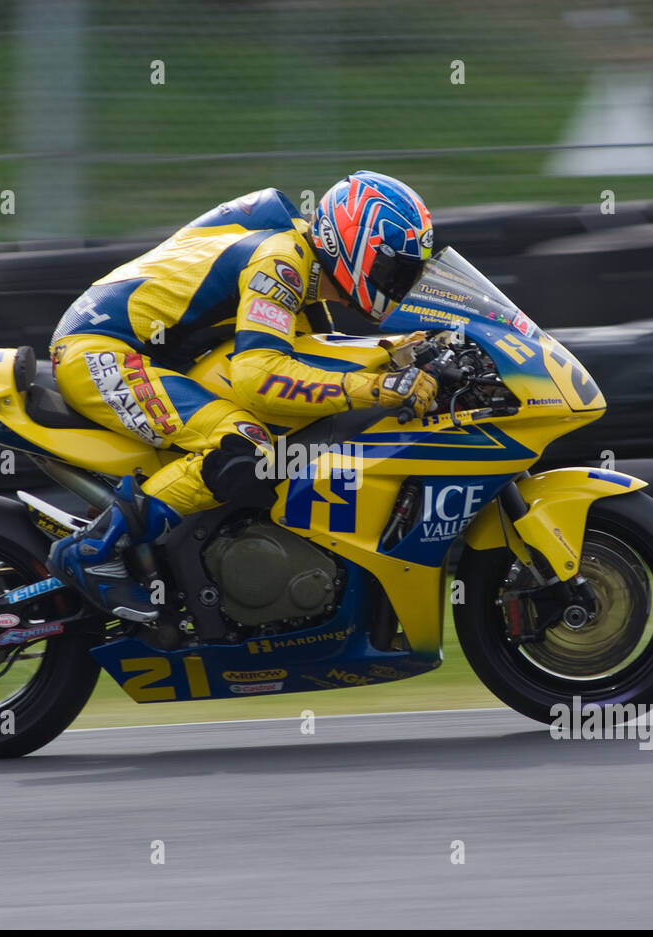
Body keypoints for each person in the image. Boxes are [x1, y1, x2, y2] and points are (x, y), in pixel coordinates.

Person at [46, 170, 439, 615]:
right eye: (395, 270)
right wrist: (373, 387)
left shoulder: (302, 274)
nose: (400, 285)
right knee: (240, 443)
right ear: (355, 247)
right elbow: (259, 377)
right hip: (101, 351)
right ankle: (94, 551)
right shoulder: (281, 261)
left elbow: (313, 362)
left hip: (141, 353)